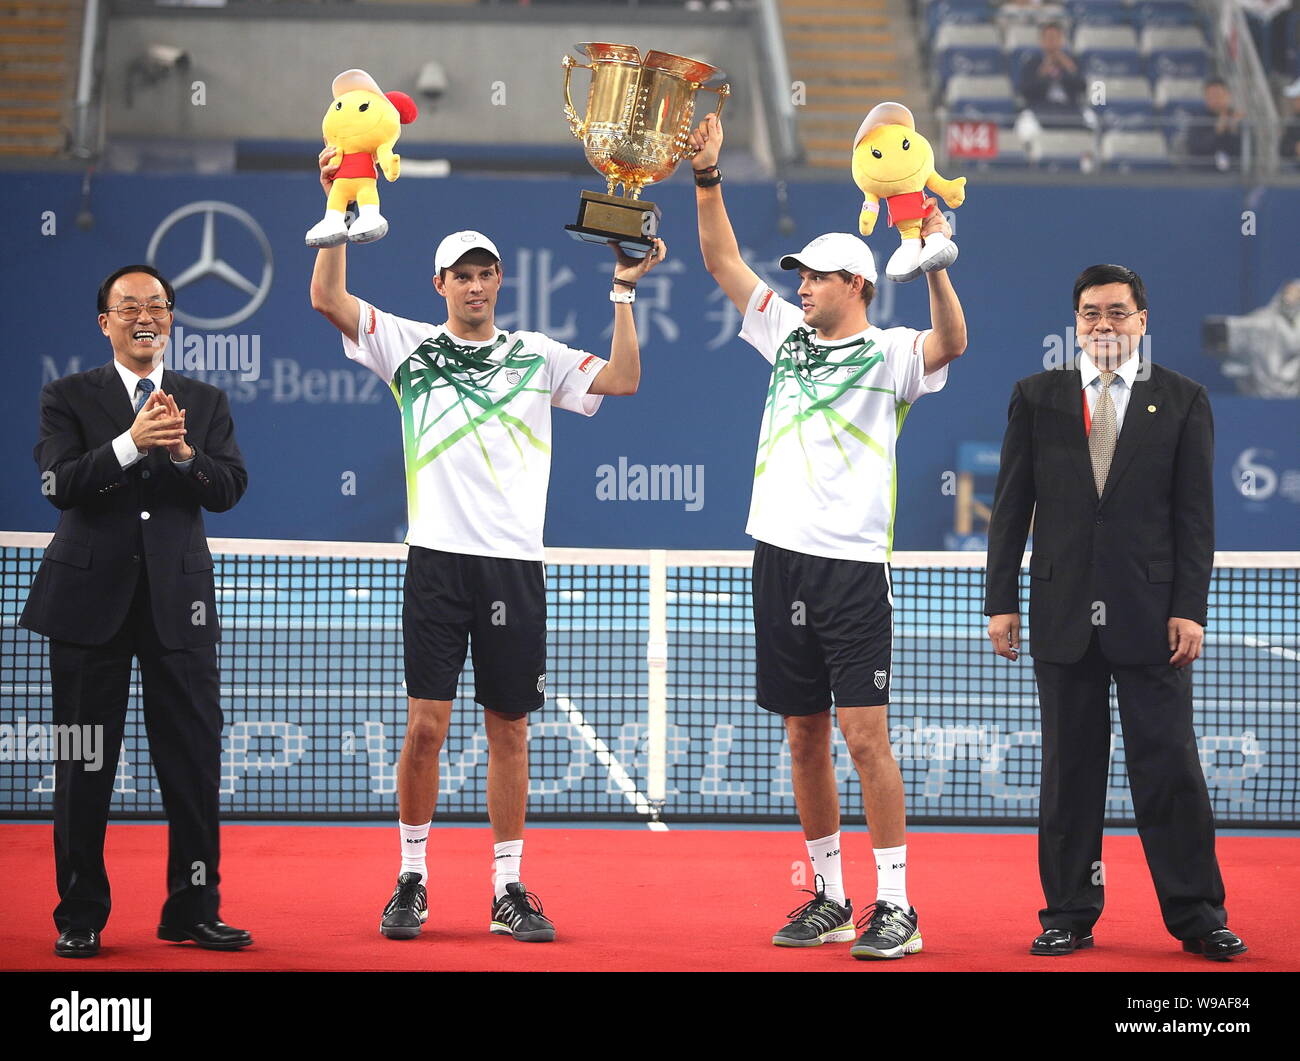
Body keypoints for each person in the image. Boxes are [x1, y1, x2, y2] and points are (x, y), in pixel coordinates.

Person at [308, 148, 666, 943]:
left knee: (509, 728)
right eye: (460, 274)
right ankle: (411, 877)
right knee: (426, 727)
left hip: (514, 565)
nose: (474, 284)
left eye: (485, 272)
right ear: (439, 285)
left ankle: (508, 886)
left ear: (498, 282)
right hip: (435, 561)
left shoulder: (536, 355)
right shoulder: (406, 347)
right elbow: (326, 294)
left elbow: (624, 380)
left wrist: (623, 290)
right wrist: (340, 200)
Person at [688, 113, 967, 960]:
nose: (800, 287)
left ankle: (897, 904)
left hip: (851, 570)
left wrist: (936, 264)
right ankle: (830, 896)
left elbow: (951, 340)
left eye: (813, 277)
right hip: (777, 560)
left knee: (863, 735)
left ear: (856, 281)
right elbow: (722, 262)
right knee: (803, 735)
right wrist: (707, 178)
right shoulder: (784, 339)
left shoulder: (890, 354)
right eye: (799, 278)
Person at [984, 264, 1246, 962]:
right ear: (1076, 323)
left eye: (1117, 313)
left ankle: (1197, 916)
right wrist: (1001, 600)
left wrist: (1191, 608)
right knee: (1070, 774)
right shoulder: (1035, 398)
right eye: (1091, 314)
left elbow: (1196, 520)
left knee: (1170, 771)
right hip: (1061, 615)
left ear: (1142, 320)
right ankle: (1069, 911)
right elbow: (1010, 511)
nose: (1104, 325)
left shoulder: (1184, 400)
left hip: (1152, 619)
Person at [21, 264, 251, 958]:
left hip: (180, 613)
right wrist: (128, 444)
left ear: (172, 320)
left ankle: (192, 907)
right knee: (82, 766)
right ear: (106, 324)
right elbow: (58, 483)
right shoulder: (67, 396)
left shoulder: (203, 402)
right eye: (129, 307)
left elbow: (230, 486)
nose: (144, 315)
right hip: (87, 611)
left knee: (192, 766)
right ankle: (80, 914)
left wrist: (183, 453)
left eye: (157, 305)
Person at [1020, 22, 1087, 126]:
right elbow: (1025, 91)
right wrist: (1042, 73)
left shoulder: (1073, 62)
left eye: (1055, 37)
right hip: (1039, 108)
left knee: (1091, 121)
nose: (1051, 41)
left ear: (1061, 40)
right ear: (1041, 41)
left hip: (1070, 109)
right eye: (1048, 38)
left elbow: (1083, 87)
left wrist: (1069, 68)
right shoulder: (1032, 62)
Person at [1187, 79, 1244, 167]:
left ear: (1228, 95)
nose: (1216, 100)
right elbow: (1195, 150)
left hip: (1235, 174)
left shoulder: (1238, 119)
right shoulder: (1198, 120)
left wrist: (1234, 130)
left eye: (1219, 95)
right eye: (1211, 96)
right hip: (1205, 173)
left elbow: (1248, 153)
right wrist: (1217, 131)